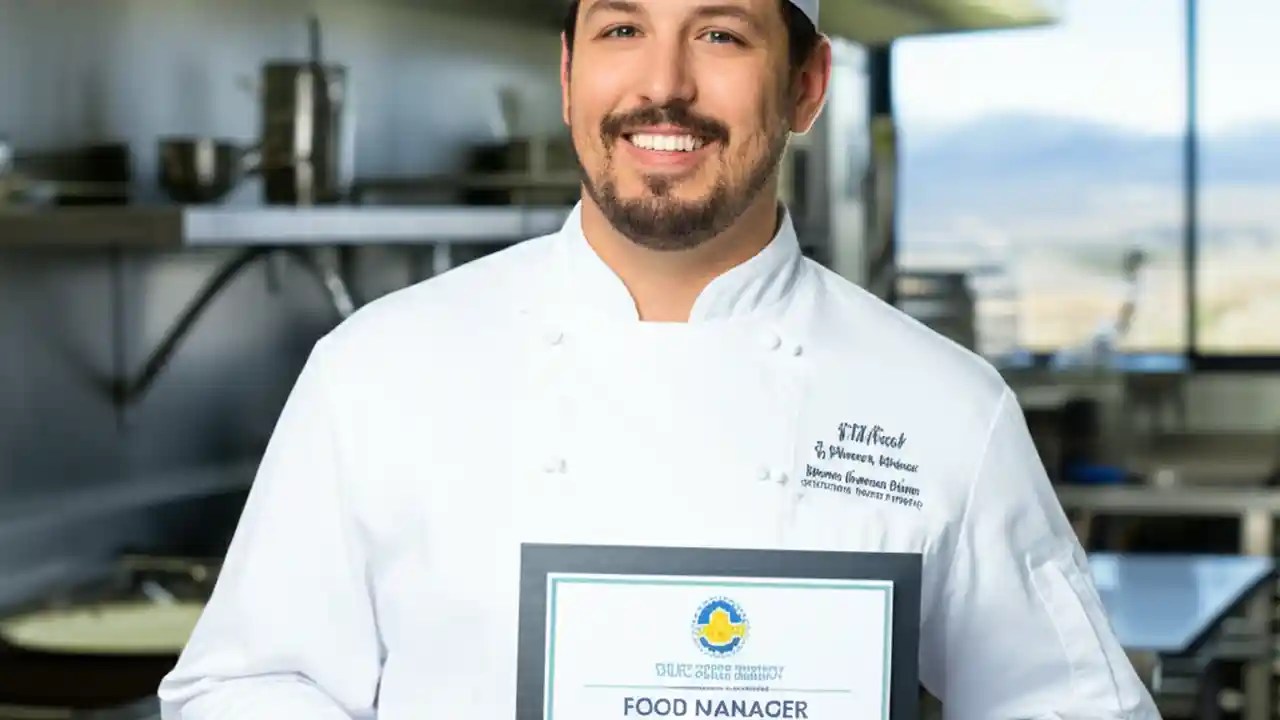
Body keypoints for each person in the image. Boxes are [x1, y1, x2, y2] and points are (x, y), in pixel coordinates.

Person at [157, 0, 1159, 717]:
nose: (663, 85)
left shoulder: (941, 404)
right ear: (566, 74)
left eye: (719, 33)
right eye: (621, 29)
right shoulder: (375, 370)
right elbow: (246, 681)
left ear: (805, 85)